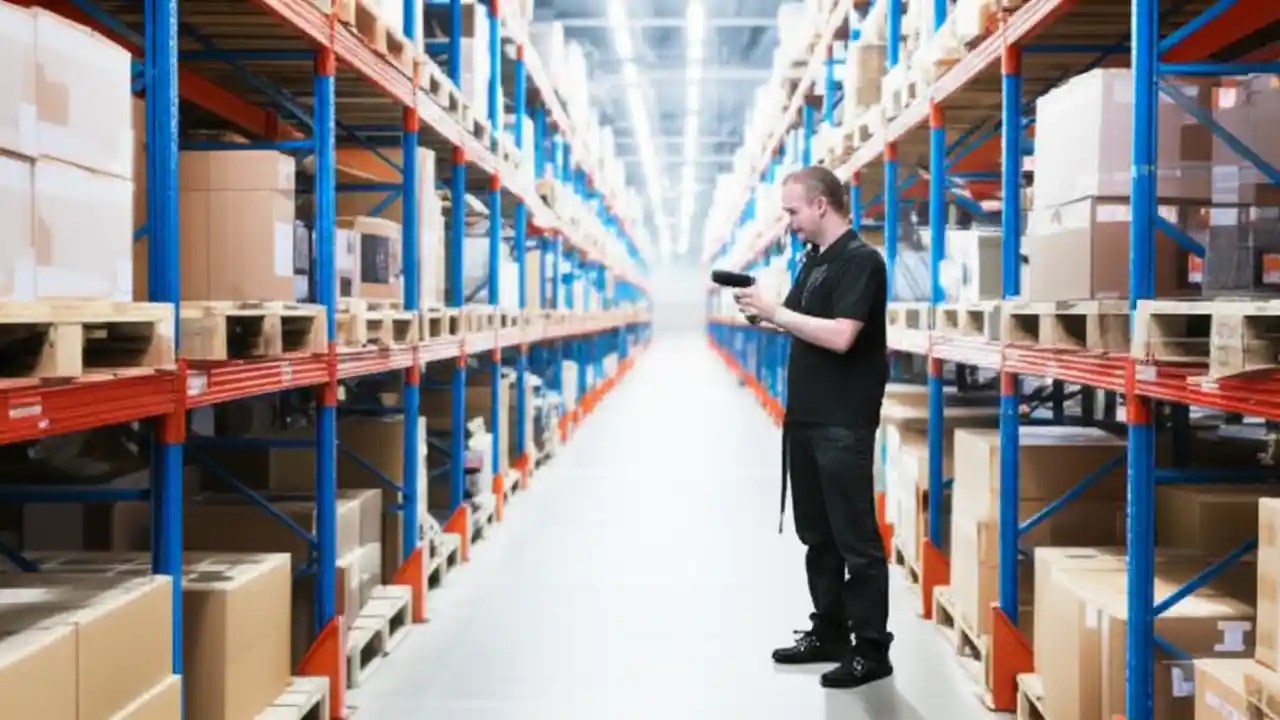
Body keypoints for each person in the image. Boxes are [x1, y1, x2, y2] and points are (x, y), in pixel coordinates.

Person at [732, 165, 892, 690]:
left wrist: (778, 312)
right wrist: (764, 310)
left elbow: (843, 336)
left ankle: (871, 651)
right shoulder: (815, 262)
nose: (789, 221)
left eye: (793, 211)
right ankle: (829, 633)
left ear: (821, 204)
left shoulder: (861, 262)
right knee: (817, 536)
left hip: (842, 423)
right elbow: (796, 320)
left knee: (855, 542)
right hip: (806, 420)